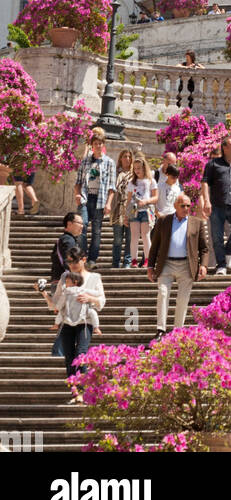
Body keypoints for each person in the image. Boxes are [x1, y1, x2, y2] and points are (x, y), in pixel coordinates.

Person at [41, 249, 105, 399]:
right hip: (67, 322)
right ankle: (75, 392)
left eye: (75, 261)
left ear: (83, 259)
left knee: (81, 354)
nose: (72, 265)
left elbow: (101, 300)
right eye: (69, 262)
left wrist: (89, 298)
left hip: (85, 322)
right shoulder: (65, 277)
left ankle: (84, 390)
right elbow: (56, 304)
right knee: (69, 357)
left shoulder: (95, 277)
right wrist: (44, 294)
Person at [147, 191, 209, 334]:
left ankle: (177, 331)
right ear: (175, 205)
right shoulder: (163, 221)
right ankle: (160, 329)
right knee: (163, 293)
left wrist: (204, 265)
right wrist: (150, 266)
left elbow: (204, 248)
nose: (186, 208)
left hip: (186, 265)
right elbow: (155, 245)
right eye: (183, 205)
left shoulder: (197, 223)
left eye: (188, 205)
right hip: (166, 264)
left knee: (182, 299)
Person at [201, 136, 231, 274]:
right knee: (216, 237)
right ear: (225, 147)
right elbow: (204, 182)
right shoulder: (213, 164)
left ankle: (228, 251)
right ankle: (221, 265)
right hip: (217, 206)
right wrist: (207, 201)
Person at [73, 128, 116, 265]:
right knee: (82, 225)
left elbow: (111, 187)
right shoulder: (85, 161)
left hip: (100, 199)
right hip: (86, 197)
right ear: (92, 145)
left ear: (103, 145)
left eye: (100, 143)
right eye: (95, 143)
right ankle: (83, 256)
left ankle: (92, 259)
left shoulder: (109, 162)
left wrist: (109, 204)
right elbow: (78, 181)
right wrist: (77, 194)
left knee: (97, 230)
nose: (98, 145)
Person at [126, 153, 158, 267]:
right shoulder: (131, 182)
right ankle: (133, 260)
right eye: (134, 168)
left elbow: (156, 197)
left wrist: (146, 201)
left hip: (146, 210)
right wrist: (126, 215)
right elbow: (129, 200)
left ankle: (147, 260)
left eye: (139, 168)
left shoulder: (151, 181)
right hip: (134, 211)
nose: (137, 170)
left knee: (145, 235)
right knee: (134, 235)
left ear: (144, 168)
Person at [109, 147, 135, 269]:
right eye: (125, 156)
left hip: (130, 209)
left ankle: (127, 262)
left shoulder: (135, 174)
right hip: (117, 209)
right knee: (118, 239)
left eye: (129, 157)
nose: (127, 159)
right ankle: (115, 262)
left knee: (129, 238)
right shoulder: (115, 173)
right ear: (120, 158)